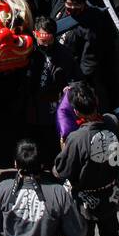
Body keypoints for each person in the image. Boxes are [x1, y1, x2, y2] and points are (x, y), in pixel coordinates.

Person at [52, 82, 119, 236]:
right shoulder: (112, 123)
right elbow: (117, 161)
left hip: (85, 203)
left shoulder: (76, 138)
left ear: (76, 112)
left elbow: (61, 171)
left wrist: (63, 145)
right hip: (110, 195)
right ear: (97, 103)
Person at [25, 16, 76, 151]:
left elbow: (74, 77)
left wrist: (69, 88)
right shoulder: (27, 48)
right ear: (35, 34)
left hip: (50, 102)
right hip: (28, 98)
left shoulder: (64, 54)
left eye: (50, 40)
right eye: (43, 41)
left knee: (48, 133)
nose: (46, 45)